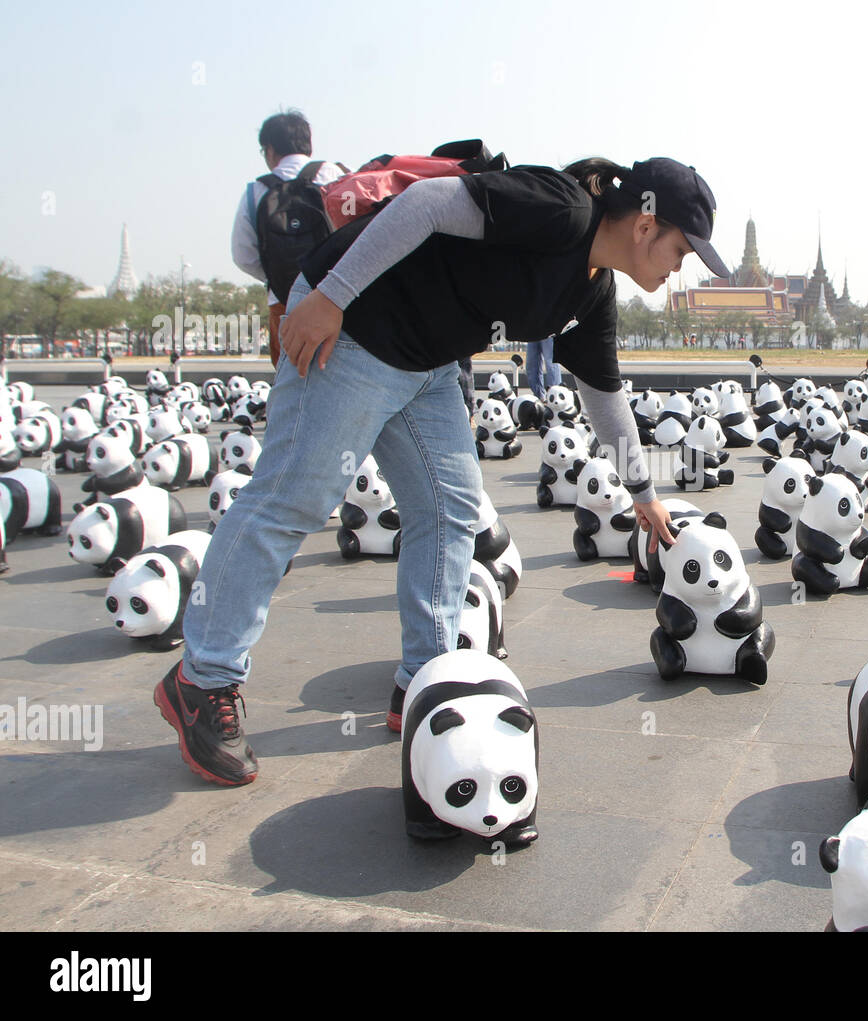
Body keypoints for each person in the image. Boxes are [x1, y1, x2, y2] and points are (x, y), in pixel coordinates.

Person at [154, 156, 727, 786]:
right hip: (353, 328)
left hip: (425, 362)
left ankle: (424, 678)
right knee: (294, 496)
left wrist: (643, 493)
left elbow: (604, 394)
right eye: (681, 249)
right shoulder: (558, 208)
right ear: (646, 225)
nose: (681, 266)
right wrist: (329, 297)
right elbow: (426, 205)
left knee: (451, 507)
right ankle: (203, 679)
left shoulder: (591, 291)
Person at [230, 110, 347, 366]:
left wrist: (279, 277)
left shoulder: (256, 191)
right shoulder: (338, 177)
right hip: (338, 301)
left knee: (291, 384)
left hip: (284, 305)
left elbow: (243, 256)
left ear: (269, 149)